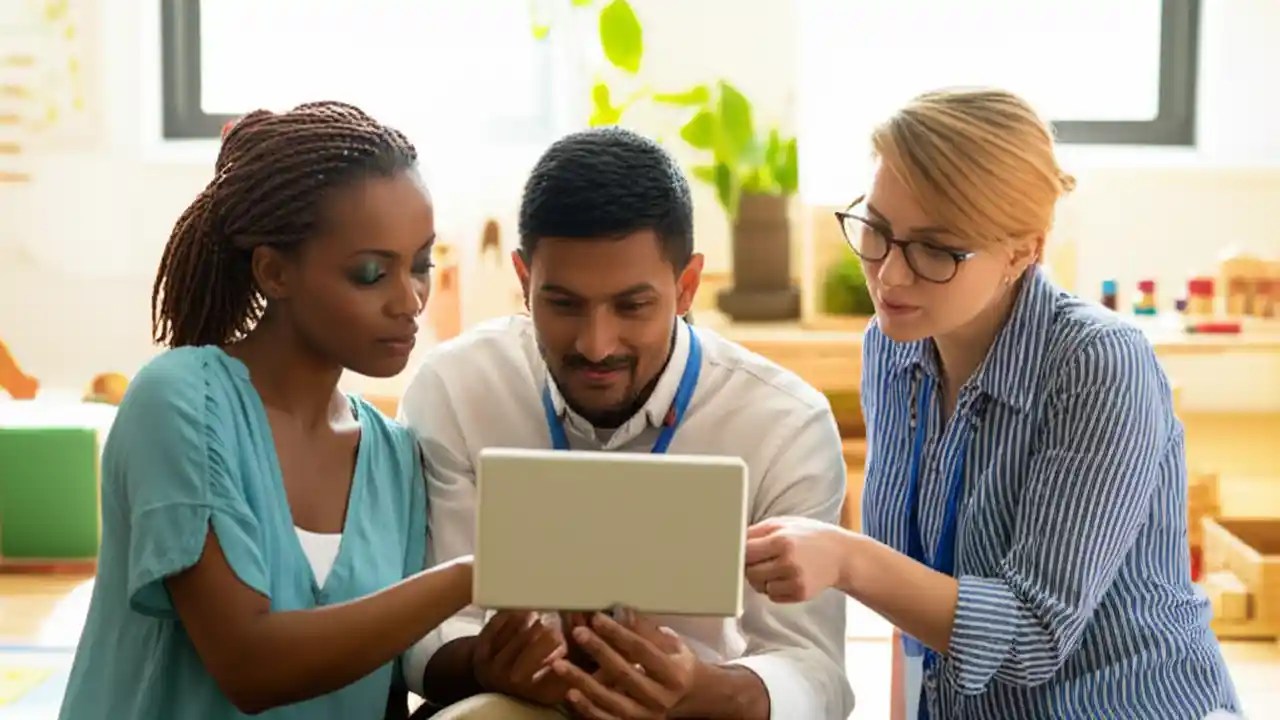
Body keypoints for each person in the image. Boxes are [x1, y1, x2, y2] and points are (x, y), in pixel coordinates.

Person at [742, 88, 1242, 718]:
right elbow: (915, 601)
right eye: (877, 229)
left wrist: (846, 557)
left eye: (935, 250)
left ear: (1024, 251)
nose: (891, 276)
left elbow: (1030, 637)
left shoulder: (1098, 364)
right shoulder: (894, 347)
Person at [396, 126, 855, 720]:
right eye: (562, 304)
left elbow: (815, 669)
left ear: (685, 286)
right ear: (523, 279)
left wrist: (704, 692)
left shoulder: (782, 424)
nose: (595, 344)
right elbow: (422, 629)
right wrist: (480, 662)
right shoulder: (457, 390)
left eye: (632, 306)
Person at [57, 101, 473, 720]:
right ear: (274, 272)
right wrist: (472, 575)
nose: (409, 300)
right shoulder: (180, 403)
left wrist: (497, 663)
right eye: (369, 273)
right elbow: (249, 666)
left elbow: (378, 682)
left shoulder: (393, 455)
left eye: (419, 266)